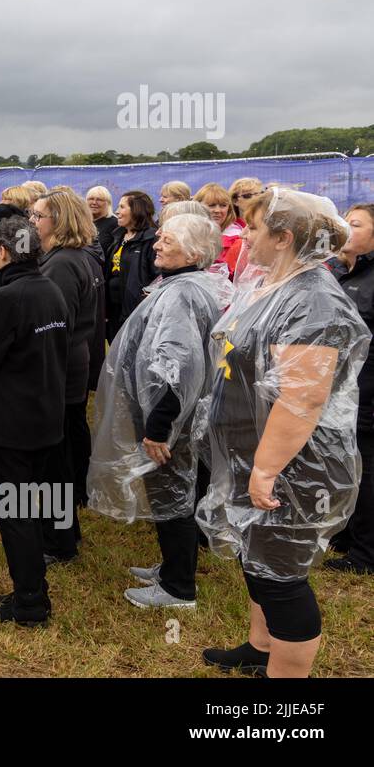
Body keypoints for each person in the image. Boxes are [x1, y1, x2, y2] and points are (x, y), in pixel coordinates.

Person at [198, 189, 369, 678]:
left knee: (281, 578)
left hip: (293, 467)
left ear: (284, 236)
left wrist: (266, 469)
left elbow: (302, 398)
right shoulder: (273, 283)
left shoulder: (314, 302)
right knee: (257, 559)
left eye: (252, 228)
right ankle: (260, 646)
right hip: (253, 452)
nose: (244, 236)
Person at [87, 213, 226, 610]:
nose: (157, 245)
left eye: (167, 240)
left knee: (173, 497)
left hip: (169, 418)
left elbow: (179, 366)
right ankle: (171, 568)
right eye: (159, 238)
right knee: (173, 493)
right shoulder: (185, 285)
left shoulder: (182, 294)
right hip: (173, 414)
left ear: (195, 252)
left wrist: (158, 426)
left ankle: (178, 589)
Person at [0, 216, 69, 626]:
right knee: (35, 505)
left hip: (12, 423)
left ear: (3, 252)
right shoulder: (51, 289)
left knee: (16, 513)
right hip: (46, 415)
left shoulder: (8, 297)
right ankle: (33, 589)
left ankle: (29, 601)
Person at [31, 190, 103, 565]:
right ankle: (65, 530)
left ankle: (59, 540)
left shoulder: (61, 265)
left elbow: (53, 328)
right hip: (73, 364)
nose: (33, 222)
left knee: (54, 459)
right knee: (62, 451)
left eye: (39, 216)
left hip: (60, 368)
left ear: (57, 221)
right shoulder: (78, 258)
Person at [328, 203, 374, 575]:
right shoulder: (344, 273)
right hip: (348, 393)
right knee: (352, 466)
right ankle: (347, 535)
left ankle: (365, 555)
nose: (346, 228)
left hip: (368, 394)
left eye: (355, 224)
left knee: (369, 471)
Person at [103, 190, 157, 340]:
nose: (117, 212)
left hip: (136, 313)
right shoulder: (118, 236)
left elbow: (157, 278)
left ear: (136, 210)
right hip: (115, 313)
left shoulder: (151, 239)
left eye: (122, 207)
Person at [194, 183, 244, 276]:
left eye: (223, 205)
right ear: (198, 206)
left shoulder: (238, 238)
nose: (218, 210)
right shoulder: (188, 234)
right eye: (212, 205)